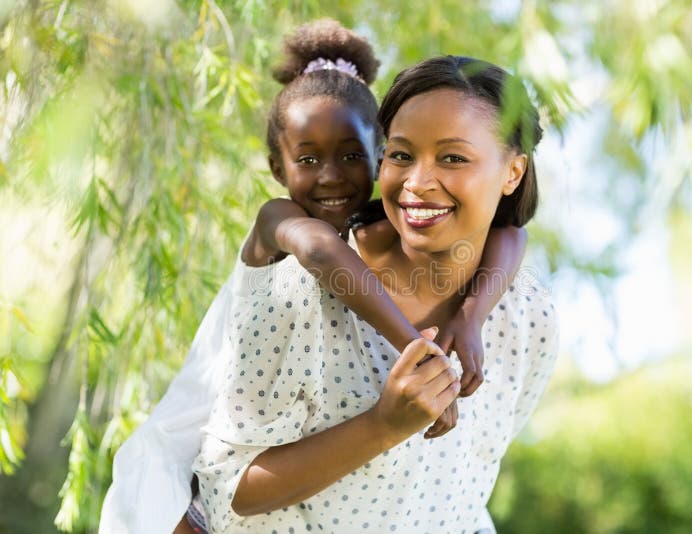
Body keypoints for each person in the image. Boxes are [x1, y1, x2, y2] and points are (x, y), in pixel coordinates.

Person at [99, 20, 526, 534]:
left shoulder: (389, 214)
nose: (331, 175)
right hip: (190, 463)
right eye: (308, 158)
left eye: (352, 155)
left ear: (380, 156)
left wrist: (472, 315)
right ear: (277, 168)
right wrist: (419, 350)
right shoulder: (279, 221)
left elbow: (510, 233)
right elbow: (324, 257)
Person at [192, 54, 558, 533]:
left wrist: (470, 316)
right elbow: (227, 490)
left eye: (452, 158)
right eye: (402, 155)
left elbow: (469, 477)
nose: (418, 183)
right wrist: (382, 426)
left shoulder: (527, 313)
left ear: (512, 172)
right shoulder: (299, 292)